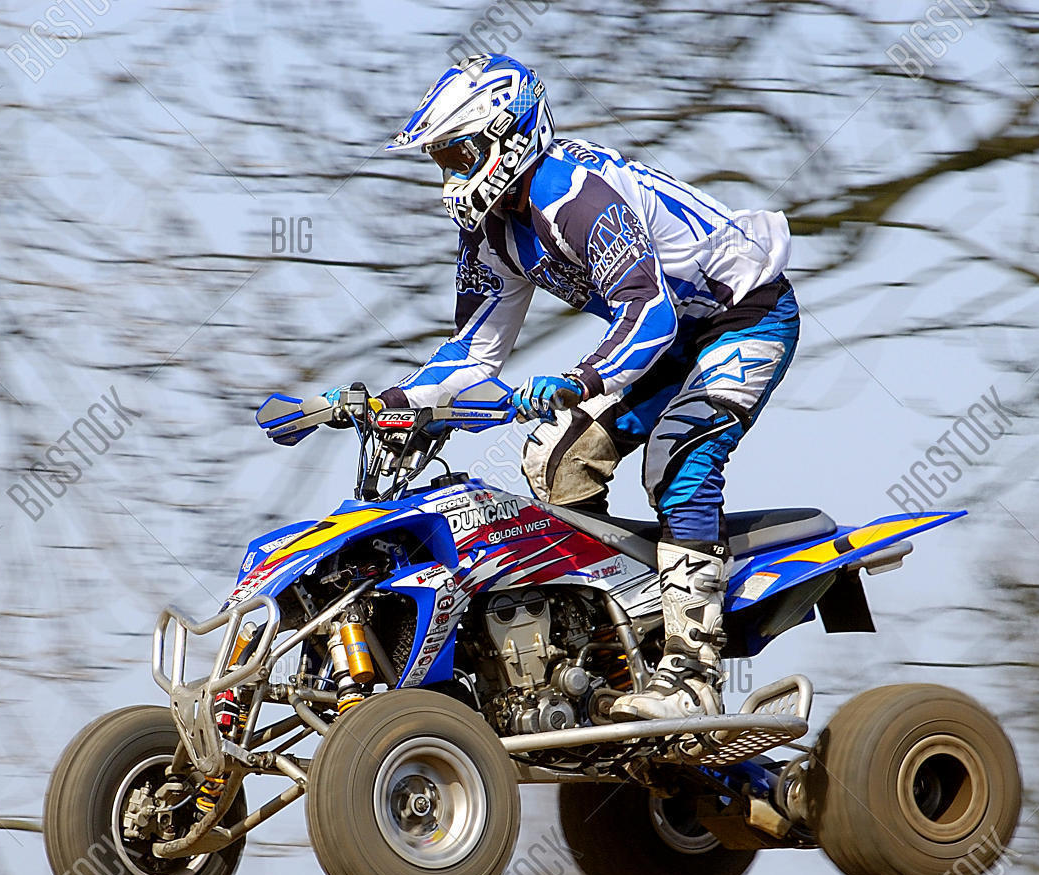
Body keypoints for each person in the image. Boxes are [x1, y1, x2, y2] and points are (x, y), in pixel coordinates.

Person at [289, 54, 798, 720]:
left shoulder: (572, 194)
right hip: (671, 341)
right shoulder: (492, 233)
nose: (448, 179)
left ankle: (693, 673)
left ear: (508, 138)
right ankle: (609, 650)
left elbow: (650, 309)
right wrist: (390, 405)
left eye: (459, 156)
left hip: (742, 315)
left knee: (679, 453)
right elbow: (472, 353)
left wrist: (580, 379)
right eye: (441, 162)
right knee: (554, 458)